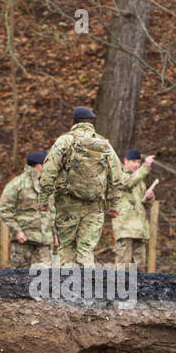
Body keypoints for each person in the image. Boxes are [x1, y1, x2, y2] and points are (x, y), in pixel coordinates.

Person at [38, 106, 122, 267]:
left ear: (74, 121)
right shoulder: (103, 144)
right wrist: (114, 205)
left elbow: (49, 171)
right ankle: (87, 288)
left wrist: (43, 199)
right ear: (91, 122)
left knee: (67, 246)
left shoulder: (65, 141)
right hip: (95, 205)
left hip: (67, 203)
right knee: (86, 249)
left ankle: (67, 288)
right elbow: (117, 177)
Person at [0, 149, 54, 268]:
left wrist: (55, 232)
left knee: (44, 279)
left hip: (44, 241)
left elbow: (52, 210)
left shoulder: (48, 184)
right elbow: (5, 209)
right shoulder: (17, 184)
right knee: (20, 278)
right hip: (23, 241)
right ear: (39, 166)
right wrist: (17, 230)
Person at [112, 148, 156, 269]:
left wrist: (148, 197)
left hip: (139, 231)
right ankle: (119, 288)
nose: (136, 164)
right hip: (125, 229)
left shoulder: (139, 181)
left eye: (138, 162)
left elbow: (146, 205)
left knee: (140, 268)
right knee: (123, 267)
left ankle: (137, 288)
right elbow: (128, 183)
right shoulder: (119, 175)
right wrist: (146, 167)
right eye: (133, 161)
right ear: (125, 161)